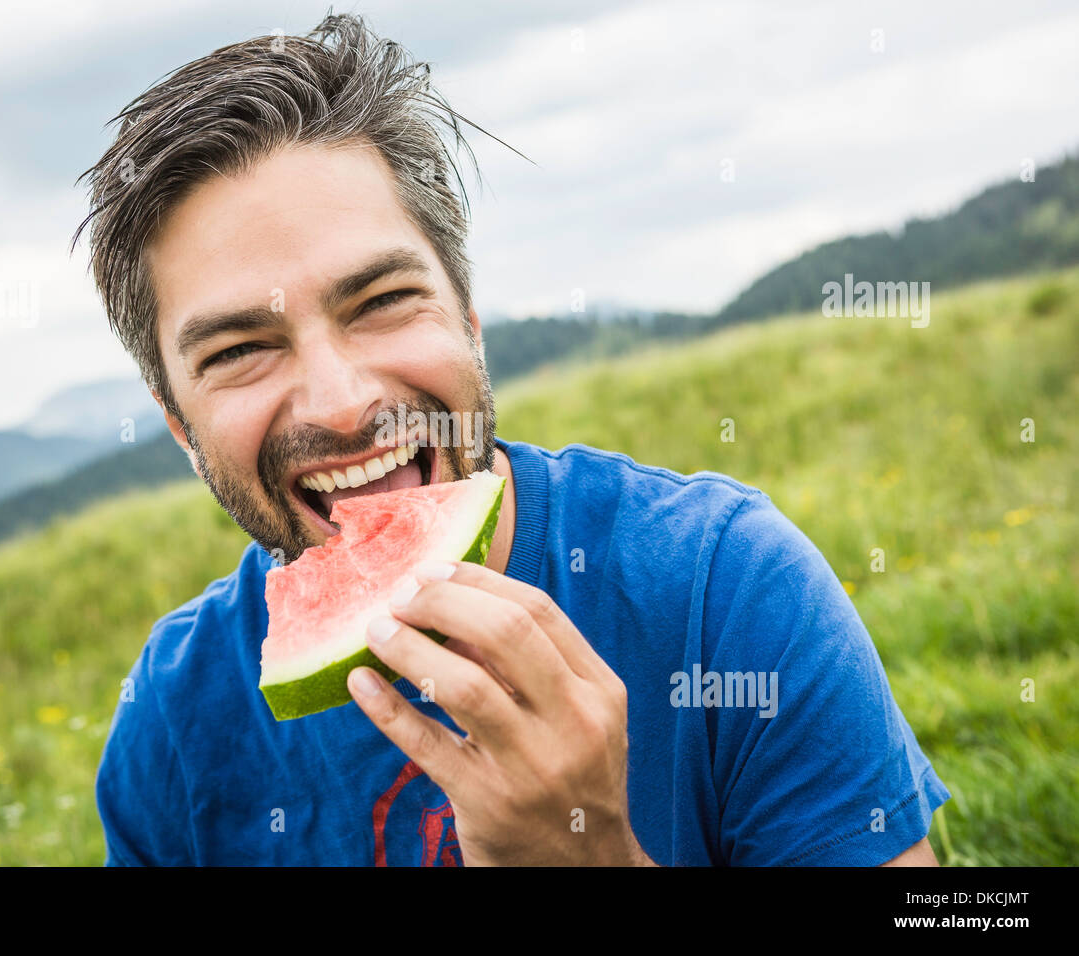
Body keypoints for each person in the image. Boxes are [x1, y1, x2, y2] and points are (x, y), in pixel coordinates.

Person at [75, 13, 948, 866]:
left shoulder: (729, 589)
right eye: (239, 351)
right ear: (181, 427)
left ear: (469, 320)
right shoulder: (169, 719)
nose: (341, 406)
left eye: (380, 301)